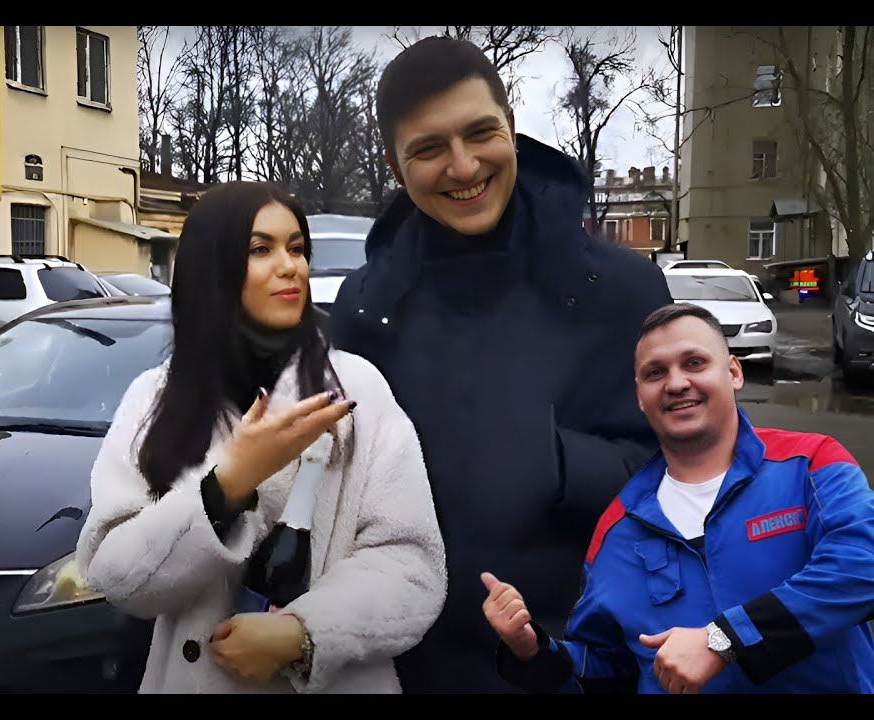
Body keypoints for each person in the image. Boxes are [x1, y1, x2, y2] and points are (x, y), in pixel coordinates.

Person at [328, 36, 673, 691]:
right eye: (429, 148)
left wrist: (554, 460)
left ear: (511, 128)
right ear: (396, 167)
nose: (463, 167)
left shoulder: (622, 291)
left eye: (480, 133)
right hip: (408, 666)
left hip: (579, 659)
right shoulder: (366, 309)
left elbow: (685, 470)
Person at [75, 182, 446, 693]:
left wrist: (303, 634)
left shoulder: (355, 389)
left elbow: (411, 563)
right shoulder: (154, 400)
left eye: (297, 248)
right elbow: (119, 579)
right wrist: (227, 485)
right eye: (260, 249)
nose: (290, 266)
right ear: (213, 269)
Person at [483, 303, 874, 693]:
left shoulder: (810, 464)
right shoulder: (618, 530)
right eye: (655, 372)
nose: (676, 383)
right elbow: (605, 670)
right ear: (640, 396)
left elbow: (862, 565)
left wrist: (725, 640)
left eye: (694, 363)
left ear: (733, 373)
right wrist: (534, 654)